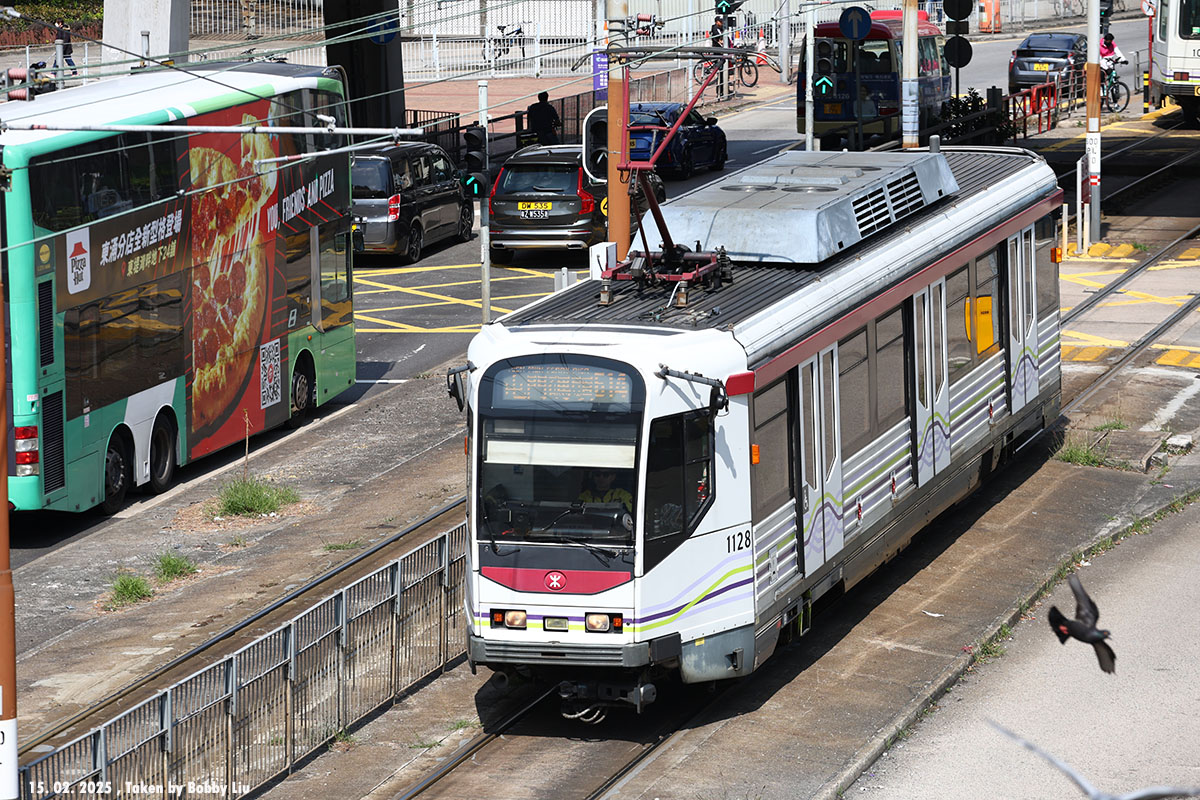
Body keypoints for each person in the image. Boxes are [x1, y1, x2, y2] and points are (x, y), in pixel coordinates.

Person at [710, 16, 728, 98]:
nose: (722, 23)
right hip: (717, 52)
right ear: (717, 22)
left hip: (722, 52)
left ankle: (725, 89)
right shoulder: (715, 28)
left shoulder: (722, 28)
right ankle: (719, 92)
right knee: (720, 73)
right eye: (721, 21)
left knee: (725, 72)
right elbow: (717, 36)